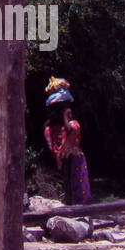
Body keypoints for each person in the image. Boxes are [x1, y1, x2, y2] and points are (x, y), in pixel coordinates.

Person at [43, 77, 91, 205]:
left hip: (75, 158)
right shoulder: (51, 129)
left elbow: (71, 130)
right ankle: (70, 207)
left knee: (78, 185)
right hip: (65, 159)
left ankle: (80, 210)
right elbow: (53, 143)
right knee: (67, 184)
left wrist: (65, 116)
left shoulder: (72, 125)